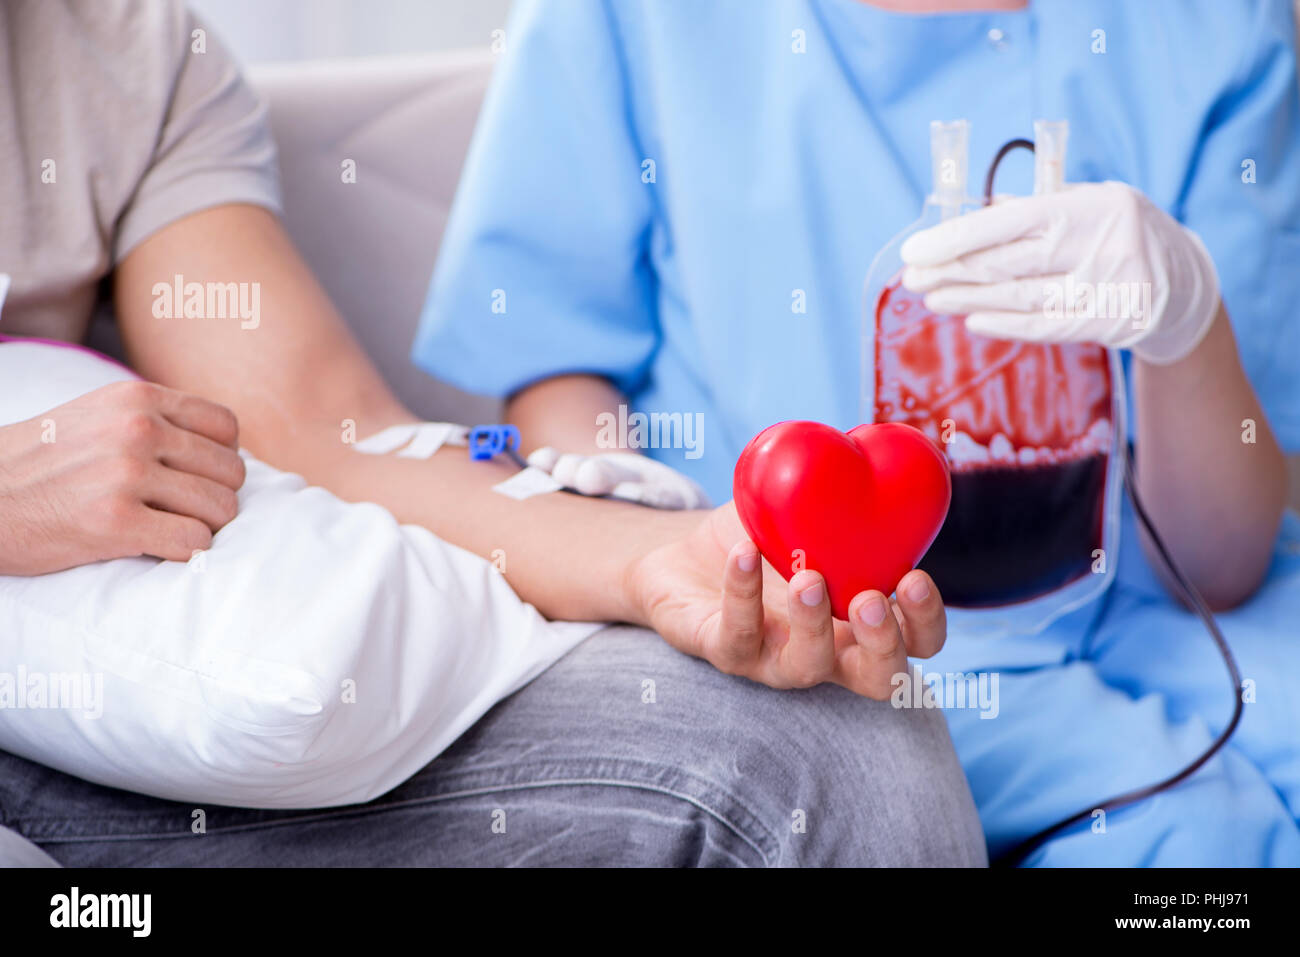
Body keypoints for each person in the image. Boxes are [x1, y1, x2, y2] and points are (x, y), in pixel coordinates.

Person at [0, 1, 986, 865]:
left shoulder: (124, 50)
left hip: (111, 717)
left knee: (845, 749)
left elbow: (324, 431)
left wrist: (663, 555)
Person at [413, 0, 1300, 865]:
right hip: (795, 642)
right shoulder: (633, 18)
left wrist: (1189, 325)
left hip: (1152, 622)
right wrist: (666, 565)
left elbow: (1220, 561)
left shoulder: (1211, 25)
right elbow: (553, 361)